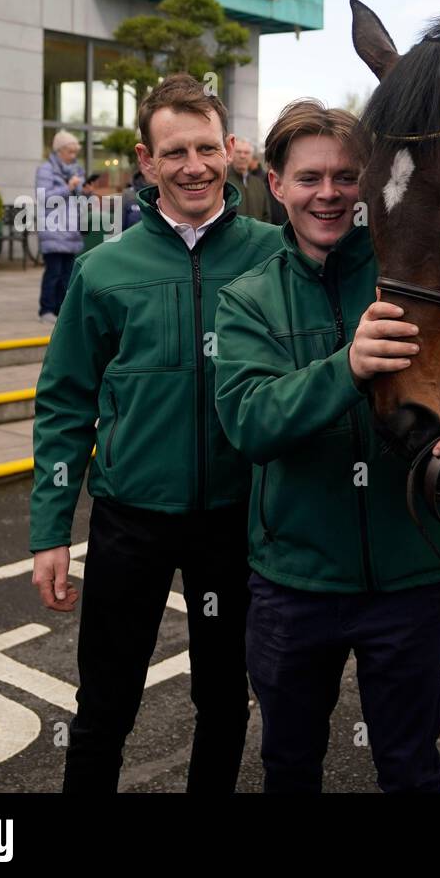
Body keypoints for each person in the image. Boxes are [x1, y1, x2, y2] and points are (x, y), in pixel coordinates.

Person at [212, 100, 440, 793]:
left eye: (347, 177)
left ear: (372, 182)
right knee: (289, 766)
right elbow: (250, 423)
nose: (328, 193)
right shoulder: (246, 298)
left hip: (411, 576)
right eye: (309, 177)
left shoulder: (419, 274)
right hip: (294, 585)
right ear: (276, 182)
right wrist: (346, 369)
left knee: (411, 769)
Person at [28, 74, 283, 793]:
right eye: (175, 152)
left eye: (206, 147)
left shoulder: (276, 254)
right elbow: (64, 403)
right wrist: (50, 531)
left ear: (230, 153)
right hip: (128, 524)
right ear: (146, 161)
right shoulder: (103, 270)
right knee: (104, 706)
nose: (193, 165)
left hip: (236, 522)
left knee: (225, 702)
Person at [34, 130, 92, 324]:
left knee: (68, 274)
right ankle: (46, 310)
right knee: (53, 272)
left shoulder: (76, 170)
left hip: (71, 230)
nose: (73, 156)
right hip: (53, 228)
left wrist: (85, 192)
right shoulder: (46, 170)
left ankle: (62, 309)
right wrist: (68, 187)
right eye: (70, 152)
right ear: (59, 151)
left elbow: (79, 201)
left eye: (75, 152)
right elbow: (45, 199)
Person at [225, 137, 272, 221]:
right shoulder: (223, 182)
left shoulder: (259, 184)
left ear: (251, 157)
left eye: (246, 153)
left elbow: (266, 216)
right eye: (238, 152)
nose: (242, 156)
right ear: (231, 154)